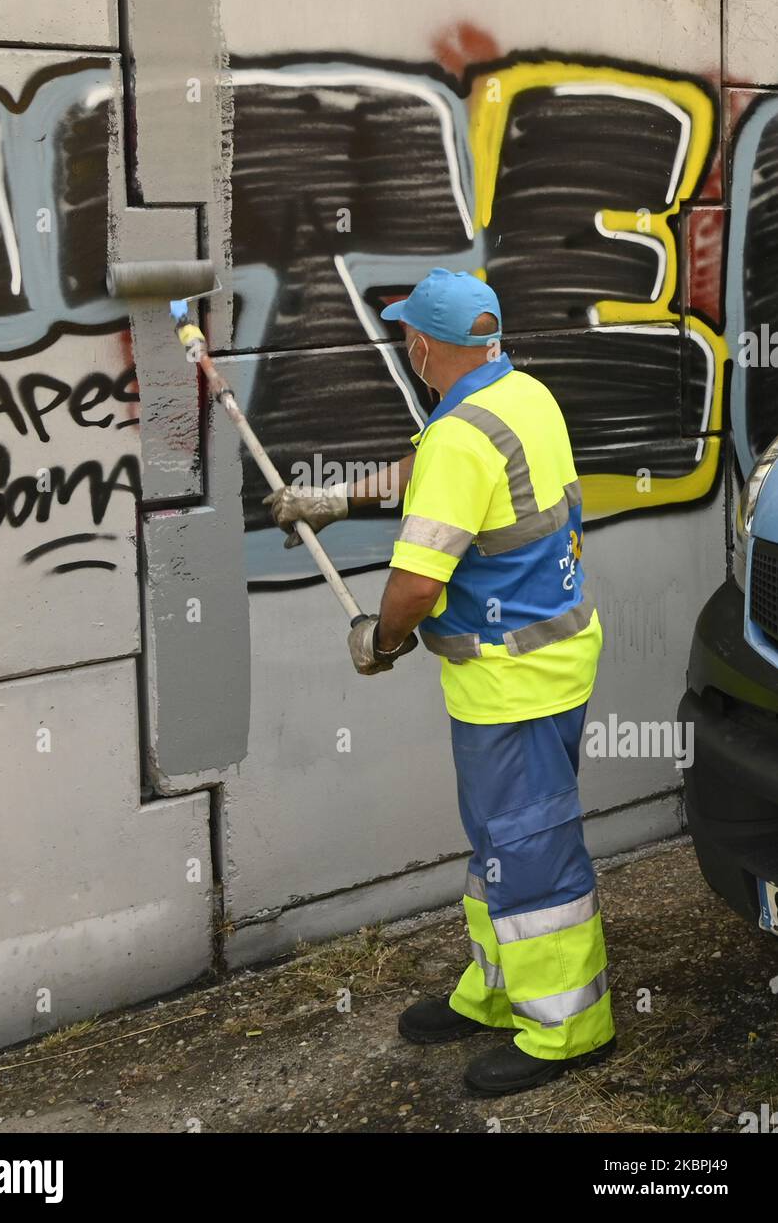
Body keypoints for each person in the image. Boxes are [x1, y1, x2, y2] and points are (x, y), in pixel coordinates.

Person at [265, 268, 615, 1096]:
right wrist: (337, 500)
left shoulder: (464, 435)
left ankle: (568, 1026)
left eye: (406, 335)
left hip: (513, 680)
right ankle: (498, 991)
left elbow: (418, 583)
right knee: (502, 842)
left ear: (425, 346)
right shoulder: (517, 395)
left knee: (531, 847)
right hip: (545, 658)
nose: (404, 345)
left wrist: (377, 641)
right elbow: (429, 467)